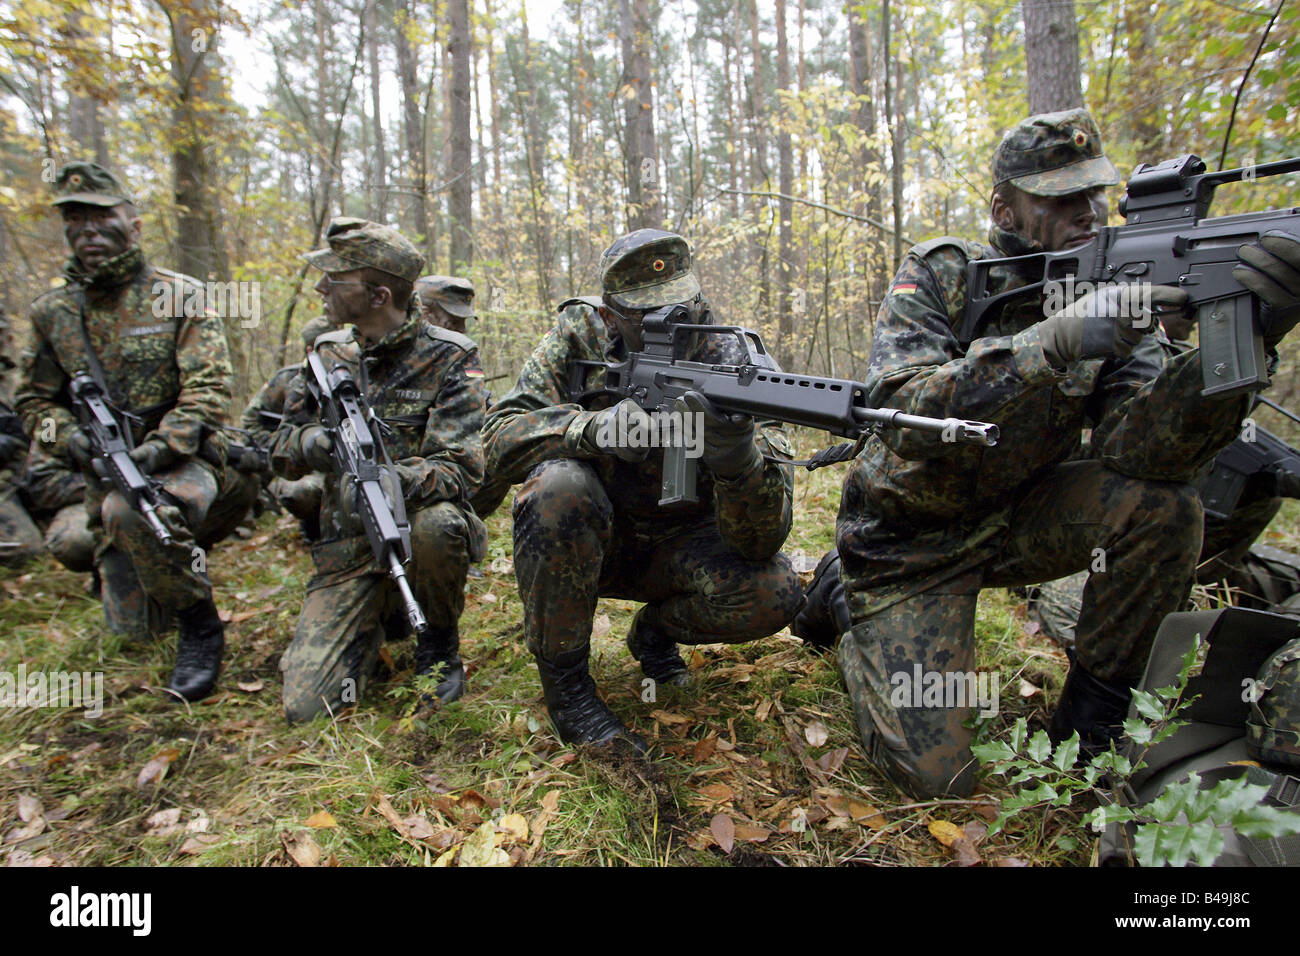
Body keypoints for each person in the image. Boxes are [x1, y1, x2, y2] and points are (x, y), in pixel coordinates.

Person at [823, 109, 1300, 798]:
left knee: (1162, 508)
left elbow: (1145, 454)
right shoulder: (946, 275)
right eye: (1058, 198)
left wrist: (1255, 331)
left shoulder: (1117, 285)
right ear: (1005, 209)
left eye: (1094, 194)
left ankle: (1094, 726)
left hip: (1017, 525)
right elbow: (900, 410)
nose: (1085, 212)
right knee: (941, 781)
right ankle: (843, 602)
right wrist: (1047, 345)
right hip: (906, 542)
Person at [482, 228, 804, 753]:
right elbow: (497, 441)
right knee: (557, 486)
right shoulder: (579, 335)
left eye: (681, 304)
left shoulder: (738, 362)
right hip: (594, 541)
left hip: (686, 551)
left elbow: (761, 541)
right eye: (647, 314)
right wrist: (590, 430)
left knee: (775, 591)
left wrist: (737, 459)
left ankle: (655, 633)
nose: (673, 324)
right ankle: (567, 688)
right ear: (610, 316)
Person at [16, 161, 254, 701]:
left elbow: (210, 388)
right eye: (75, 220)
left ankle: (201, 624)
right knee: (133, 632)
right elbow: (32, 400)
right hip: (99, 470)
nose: (89, 232)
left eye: (102, 218)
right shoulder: (52, 313)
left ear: (135, 223)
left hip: (182, 460)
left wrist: (158, 448)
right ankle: (128, 557)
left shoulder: (180, 295)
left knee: (133, 513)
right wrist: (69, 439)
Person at [270, 218, 488, 722]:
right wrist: (316, 442)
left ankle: (437, 643)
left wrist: (391, 479)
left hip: (413, 532)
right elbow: (279, 444)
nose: (322, 287)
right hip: (346, 543)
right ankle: (377, 617)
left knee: (439, 525)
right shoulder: (328, 353)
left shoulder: (450, 357)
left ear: (378, 294)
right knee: (307, 708)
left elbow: (461, 471)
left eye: (335, 279)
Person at [237, 315, 334, 540]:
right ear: (311, 347)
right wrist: (280, 448)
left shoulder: (349, 374)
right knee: (300, 493)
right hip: (297, 465)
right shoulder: (287, 380)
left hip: (336, 463)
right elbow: (251, 422)